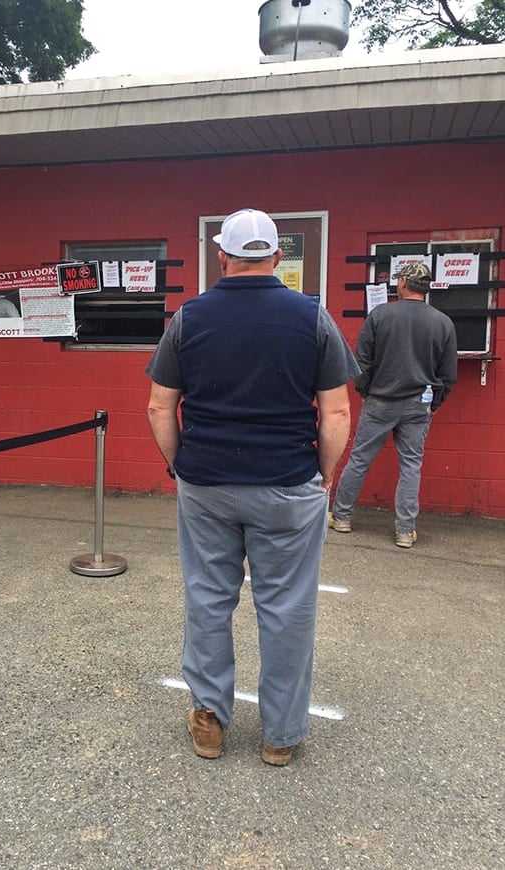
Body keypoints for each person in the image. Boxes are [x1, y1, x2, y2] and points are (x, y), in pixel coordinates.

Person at [146, 208, 359, 765]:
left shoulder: (188, 319)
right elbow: (337, 413)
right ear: (278, 257)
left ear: (222, 256)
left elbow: (159, 406)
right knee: (287, 609)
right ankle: (280, 736)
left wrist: (178, 465)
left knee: (207, 599)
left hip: (206, 483)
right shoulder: (313, 318)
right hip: (288, 483)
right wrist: (325, 475)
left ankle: (209, 720)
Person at [329, 261, 458, 549]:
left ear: (402, 283)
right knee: (411, 465)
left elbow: (362, 362)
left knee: (360, 459)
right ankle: (405, 531)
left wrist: (365, 392)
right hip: (419, 404)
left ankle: (342, 517)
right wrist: (435, 403)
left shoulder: (380, 315)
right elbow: (448, 373)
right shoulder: (443, 322)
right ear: (426, 288)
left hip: (379, 401)